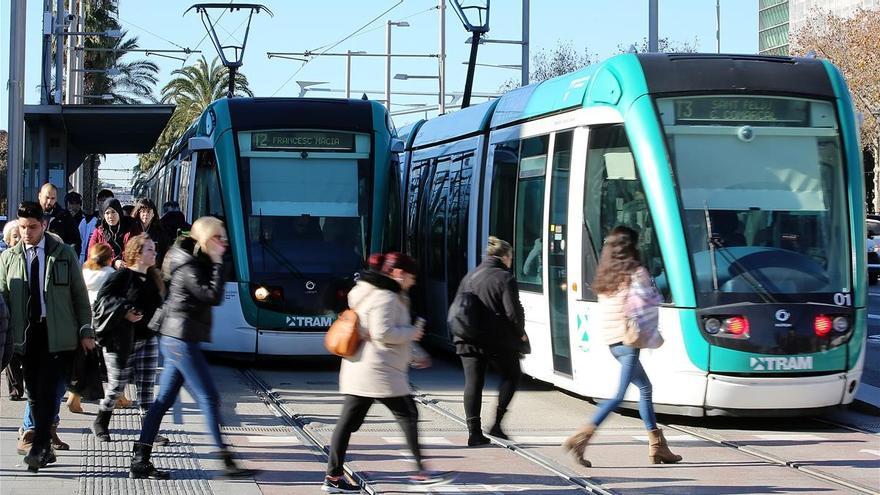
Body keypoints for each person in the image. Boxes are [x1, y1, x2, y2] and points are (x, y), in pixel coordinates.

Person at [130, 217, 253, 480]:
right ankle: (225, 459)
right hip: (180, 340)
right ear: (206, 239)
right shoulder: (187, 264)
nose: (224, 243)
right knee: (209, 397)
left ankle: (140, 460)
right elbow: (212, 296)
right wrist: (219, 263)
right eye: (219, 238)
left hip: (179, 338)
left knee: (162, 402)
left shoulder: (192, 259)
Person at [321, 252, 450, 493]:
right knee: (408, 415)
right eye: (411, 277)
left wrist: (415, 352)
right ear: (399, 273)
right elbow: (384, 333)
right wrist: (412, 333)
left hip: (363, 369)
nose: (413, 282)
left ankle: (333, 477)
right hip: (380, 372)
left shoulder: (368, 291)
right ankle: (421, 473)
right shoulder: (387, 296)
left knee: (348, 423)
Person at [563, 226, 681, 467]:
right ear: (633, 247)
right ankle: (582, 437)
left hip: (613, 342)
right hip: (629, 341)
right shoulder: (636, 273)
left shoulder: (606, 275)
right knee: (618, 395)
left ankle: (658, 445)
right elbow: (647, 303)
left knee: (645, 387)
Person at [0, 202, 95, 472]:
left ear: (44, 225)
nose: (26, 232)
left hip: (58, 334)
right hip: (25, 336)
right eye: (22, 227)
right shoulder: (9, 258)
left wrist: (86, 331)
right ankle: (42, 446)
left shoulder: (63, 254)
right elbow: (3, 300)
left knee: (51, 391)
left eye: (32, 227)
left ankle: (39, 446)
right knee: (33, 392)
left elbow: (80, 297)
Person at [452, 236, 527, 446]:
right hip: (495, 339)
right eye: (511, 257)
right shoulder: (504, 277)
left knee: (473, 383)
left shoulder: (470, 275)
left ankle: (474, 433)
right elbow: (513, 312)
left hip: (466, 337)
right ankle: (497, 424)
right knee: (512, 375)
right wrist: (520, 333)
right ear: (505, 257)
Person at [92, 234, 165, 444]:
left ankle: (148, 431)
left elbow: (158, 305)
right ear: (137, 254)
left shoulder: (153, 277)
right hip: (120, 340)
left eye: (154, 249)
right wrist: (125, 311)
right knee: (116, 386)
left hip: (148, 339)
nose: (154, 253)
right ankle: (101, 422)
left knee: (146, 388)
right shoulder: (122, 276)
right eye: (150, 249)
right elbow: (103, 300)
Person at [88, 198, 134, 269]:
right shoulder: (98, 232)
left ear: (119, 212)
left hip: (127, 273)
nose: (110, 216)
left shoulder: (130, 229)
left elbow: (137, 252)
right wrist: (113, 263)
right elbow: (91, 255)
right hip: (106, 274)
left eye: (113, 212)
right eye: (107, 213)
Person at [1, 221, 19, 400]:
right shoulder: (4, 257)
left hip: (25, 311)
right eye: (14, 237)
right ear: (6, 240)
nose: (18, 239)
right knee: (10, 352)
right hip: (7, 309)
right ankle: (15, 387)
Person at [38, 183, 81, 257]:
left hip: (57, 260)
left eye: (52, 198)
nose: (49, 202)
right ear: (39, 196)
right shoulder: (32, 214)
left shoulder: (65, 217)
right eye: (47, 197)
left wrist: (66, 260)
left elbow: (74, 242)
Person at [126, 198, 168, 265]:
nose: (145, 214)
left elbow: (163, 253)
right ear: (138, 213)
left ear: (153, 214)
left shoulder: (160, 231)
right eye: (142, 211)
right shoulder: (131, 230)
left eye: (148, 211)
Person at [80, 189, 114, 264]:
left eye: (108, 201)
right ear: (97, 202)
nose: (106, 203)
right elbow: (81, 243)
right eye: (103, 200)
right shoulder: (87, 221)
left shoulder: (115, 223)